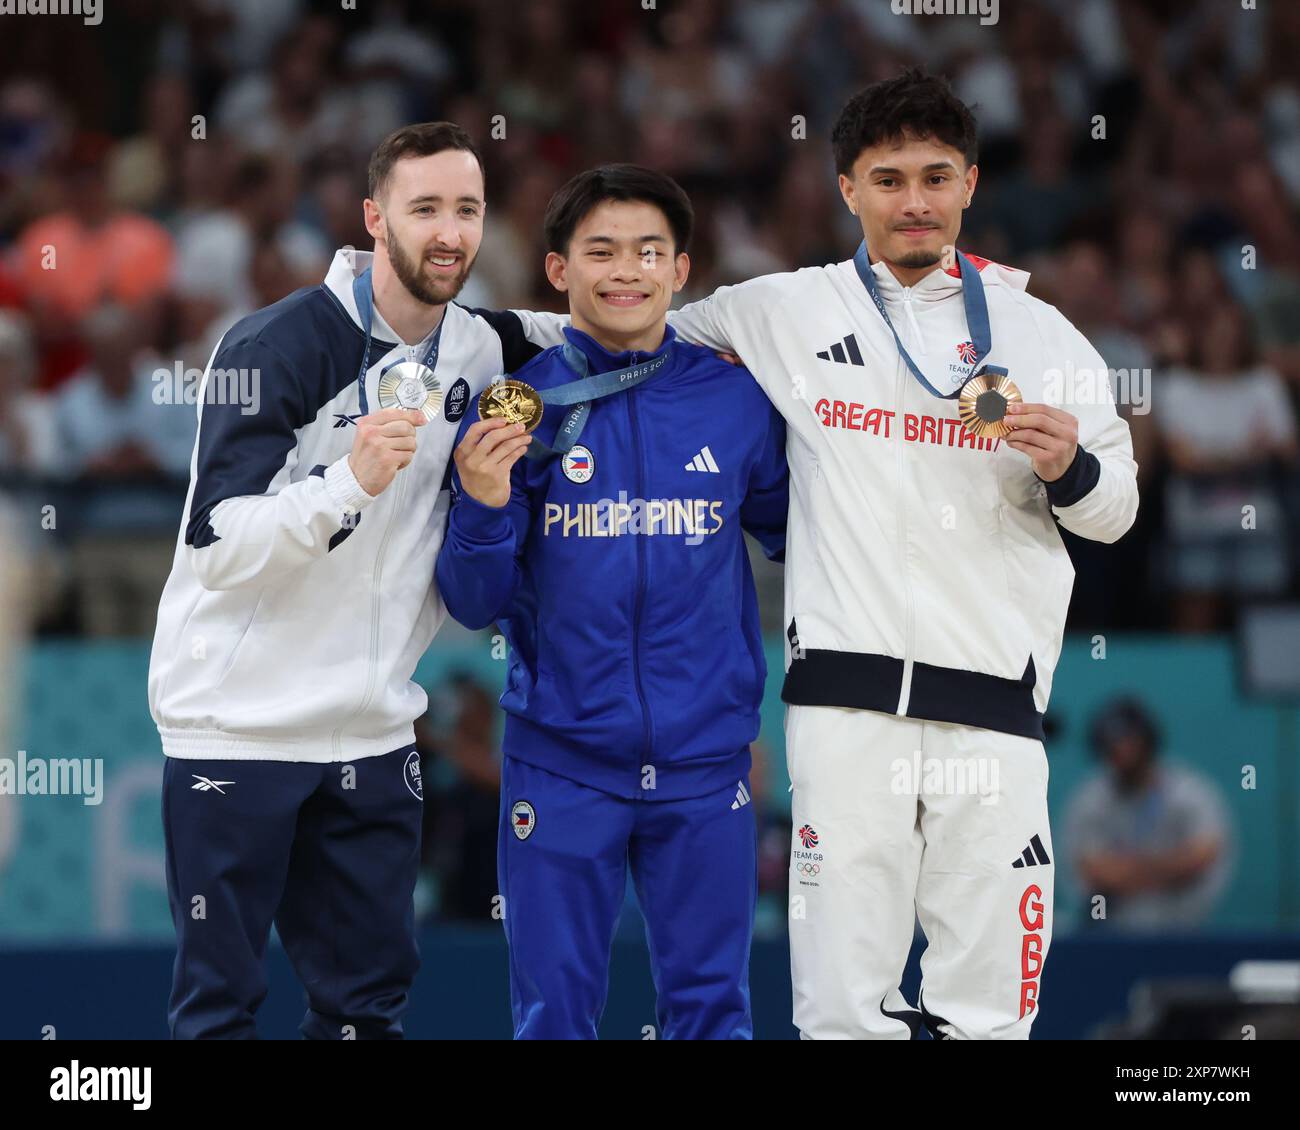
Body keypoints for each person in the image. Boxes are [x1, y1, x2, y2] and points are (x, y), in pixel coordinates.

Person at [666, 68, 1140, 1039]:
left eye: (934, 176)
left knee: (991, 1001)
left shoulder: (1043, 337)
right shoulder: (780, 309)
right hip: (846, 706)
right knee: (842, 1002)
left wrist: (1069, 466)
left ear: (970, 183)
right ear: (847, 189)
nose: (913, 201)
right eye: (887, 179)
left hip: (993, 708)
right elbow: (629, 332)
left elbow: (1117, 511)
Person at [148, 121, 565, 1039]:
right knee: (218, 1012)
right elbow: (216, 545)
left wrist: (727, 340)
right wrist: (349, 485)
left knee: (365, 1014)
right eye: (425, 210)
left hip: (373, 736)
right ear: (376, 219)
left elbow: (616, 325)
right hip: (237, 733)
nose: (449, 232)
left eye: (467, 209)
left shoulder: (486, 345)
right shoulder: (273, 346)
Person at [436, 165, 788, 1039]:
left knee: (712, 1012)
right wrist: (480, 505)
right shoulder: (517, 408)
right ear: (559, 271)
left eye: (648, 252)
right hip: (560, 762)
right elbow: (473, 602)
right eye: (601, 251)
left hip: (706, 766)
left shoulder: (738, 398)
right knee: (554, 1018)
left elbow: (808, 540)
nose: (625, 270)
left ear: (682, 269)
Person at [1066, 697, 1231, 931]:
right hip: (1110, 935)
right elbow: (1092, 869)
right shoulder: (1091, 799)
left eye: (1130, 741)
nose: (1122, 751)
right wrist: (1169, 868)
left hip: (1186, 931)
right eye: (1112, 744)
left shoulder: (1190, 792)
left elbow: (1203, 856)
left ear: (1148, 741)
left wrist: (1127, 871)